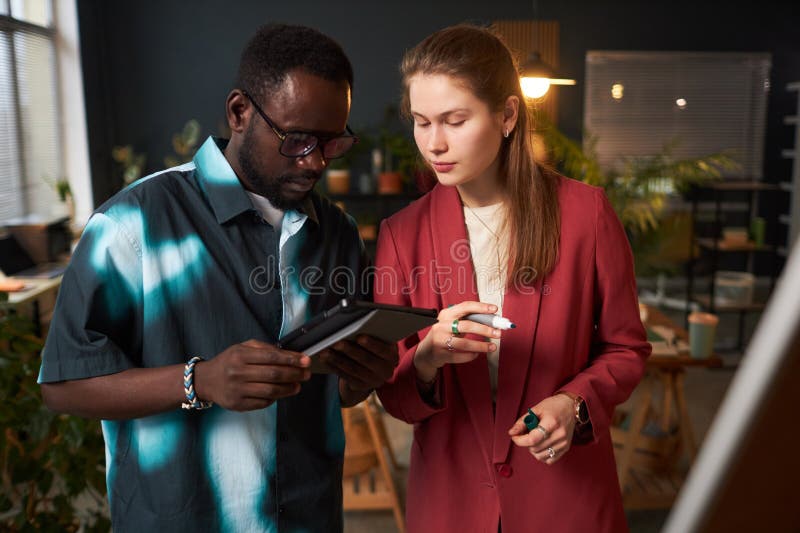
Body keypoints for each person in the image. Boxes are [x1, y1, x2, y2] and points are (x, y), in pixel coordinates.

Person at [38, 24, 398, 532]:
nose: (315, 161)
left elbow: (334, 391)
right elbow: (63, 384)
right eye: (296, 140)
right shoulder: (134, 222)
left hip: (310, 515)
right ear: (239, 112)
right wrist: (198, 380)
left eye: (331, 142)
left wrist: (362, 379)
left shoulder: (336, 231)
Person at [374, 24, 651, 533]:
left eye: (455, 121)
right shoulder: (400, 235)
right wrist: (428, 357)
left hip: (566, 500)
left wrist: (574, 403)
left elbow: (626, 348)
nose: (434, 144)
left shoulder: (585, 214)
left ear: (506, 115)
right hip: (450, 506)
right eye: (420, 122)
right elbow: (393, 393)